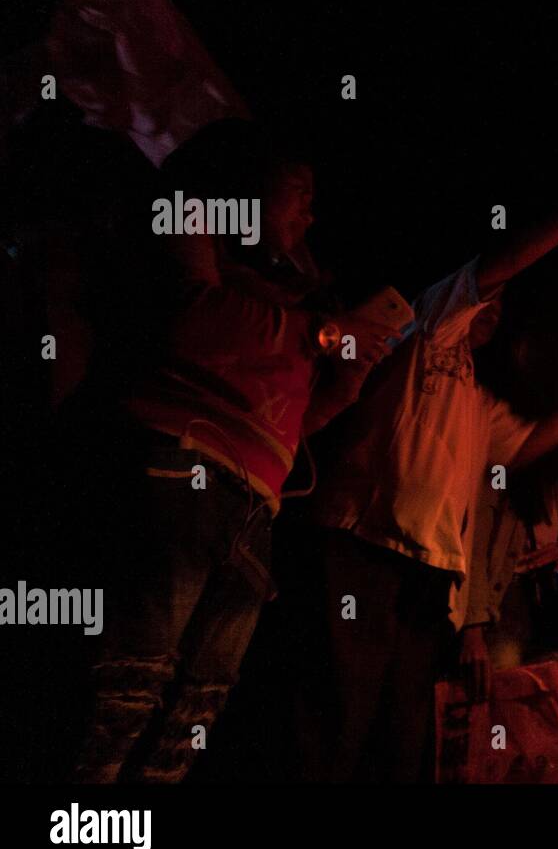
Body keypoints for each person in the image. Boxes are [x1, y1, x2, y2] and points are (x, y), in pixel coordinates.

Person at [294, 177, 558, 782]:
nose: (496, 309)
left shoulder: (476, 401)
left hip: (430, 576)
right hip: (363, 547)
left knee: (403, 738)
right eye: (490, 297)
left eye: (502, 306)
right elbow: (503, 260)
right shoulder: (424, 327)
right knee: (336, 721)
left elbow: (528, 443)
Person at [72, 120, 395, 783]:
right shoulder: (187, 212)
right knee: (126, 687)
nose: (310, 211)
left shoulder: (288, 297)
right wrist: (328, 334)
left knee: (193, 712)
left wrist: (348, 381)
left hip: (254, 506)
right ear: (247, 177)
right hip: (179, 467)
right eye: (297, 189)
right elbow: (192, 313)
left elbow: (291, 429)